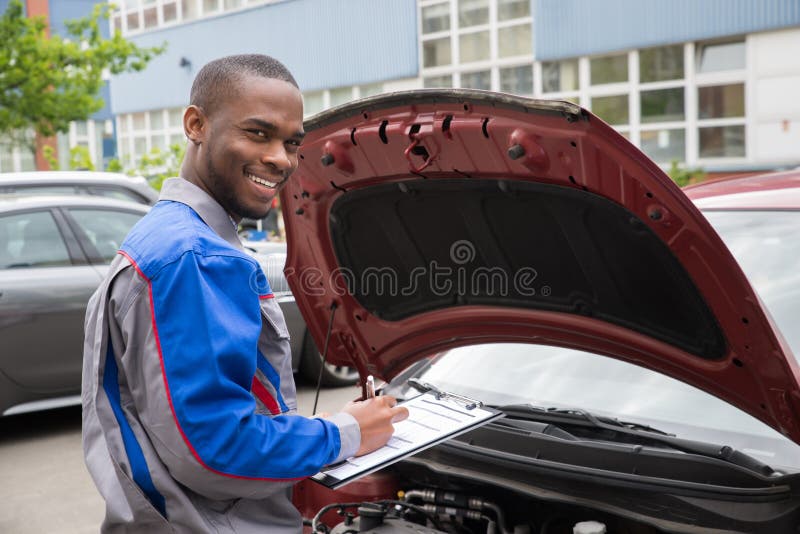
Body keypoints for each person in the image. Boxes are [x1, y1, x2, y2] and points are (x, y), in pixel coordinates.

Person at [81, 54, 408, 533]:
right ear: (196, 124)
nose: (280, 158)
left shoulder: (162, 239)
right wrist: (346, 433)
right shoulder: (194, 256)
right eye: (258, 133)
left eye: (291, 142)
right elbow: (213, 451)